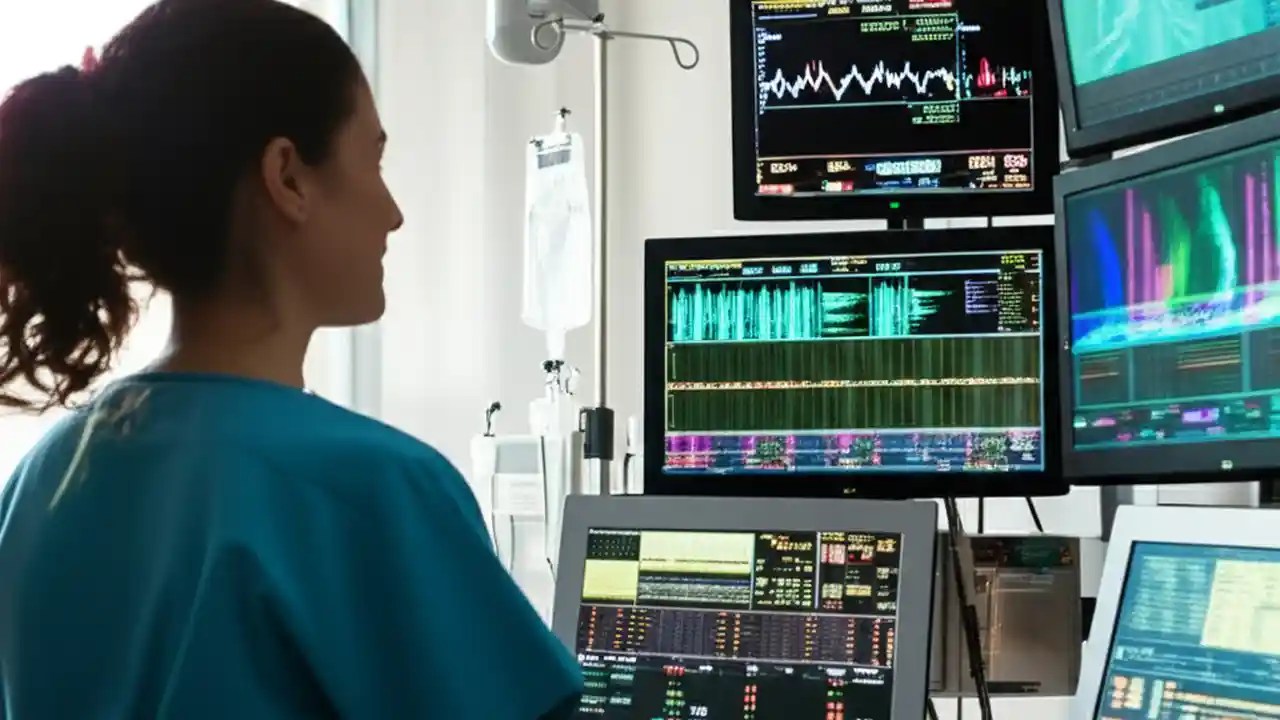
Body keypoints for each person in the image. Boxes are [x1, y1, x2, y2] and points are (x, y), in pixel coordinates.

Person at [0, 0, 584, 717]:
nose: (393, 212)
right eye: (373, 160)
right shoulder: (372, 491)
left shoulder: (42, 482)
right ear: (289, 178)